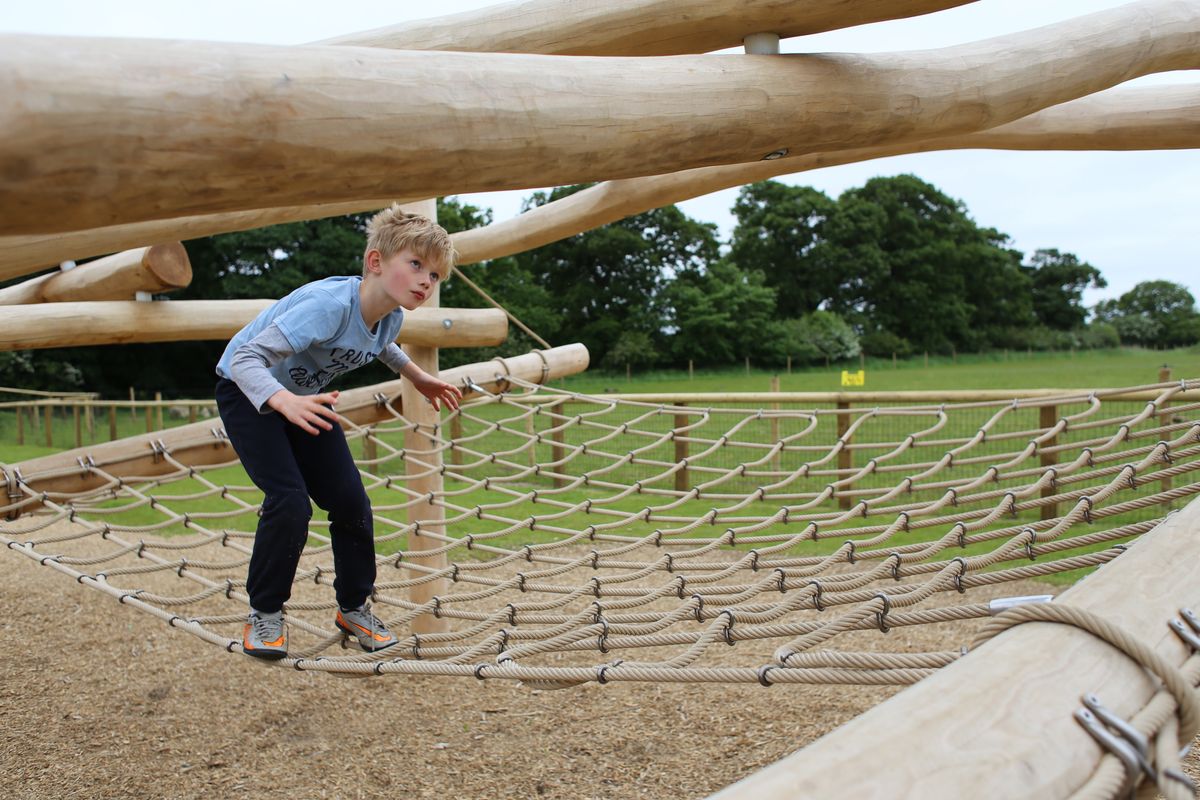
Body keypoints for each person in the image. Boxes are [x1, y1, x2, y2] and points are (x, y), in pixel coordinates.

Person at [214, 205, 463, 660]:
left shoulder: (390, 316)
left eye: (435, 274)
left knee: (351, 502)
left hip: (304, 400)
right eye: (416, 265)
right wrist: (281, 400)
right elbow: (245, 359)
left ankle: (353, 607)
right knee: (289, 502)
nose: (427, 281)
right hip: (248, 393)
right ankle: (265, 613)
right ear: (375, 263)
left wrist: (417, 376)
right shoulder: (326, 306)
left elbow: (380, 344)